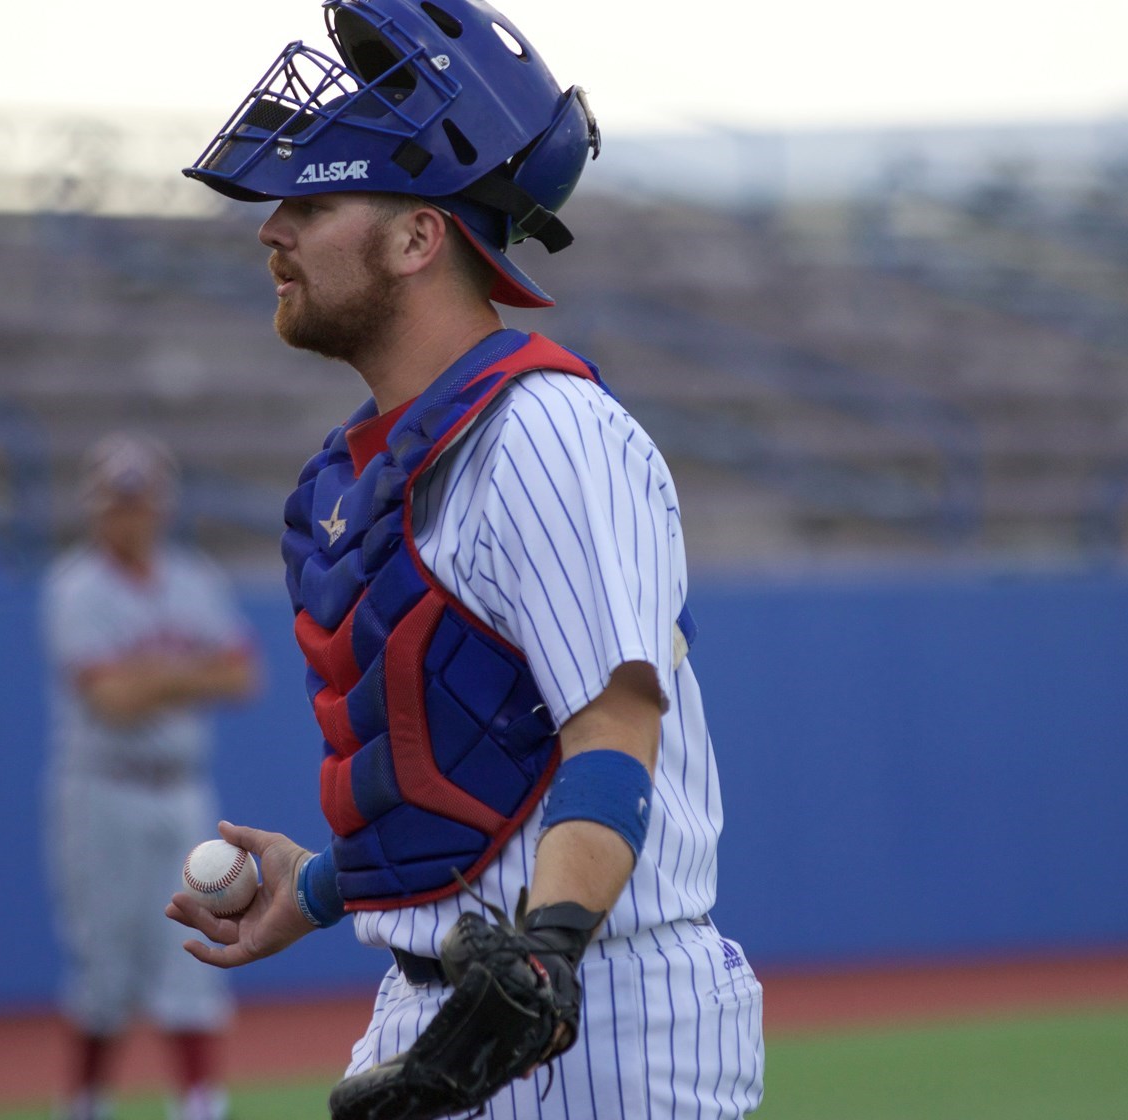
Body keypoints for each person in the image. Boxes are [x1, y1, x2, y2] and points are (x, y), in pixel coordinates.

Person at [164, 2, 765, 1117]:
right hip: (441, 1000)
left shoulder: (547, 432)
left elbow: (613, 723)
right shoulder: (374, 468)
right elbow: (478, 756)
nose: (271, 230)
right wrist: (321, 886)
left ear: (416, 239)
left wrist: (546, 953)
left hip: (591, 1019)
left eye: (312, 202)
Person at [42, 433, 261, 1120]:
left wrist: (153, 677)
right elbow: (109, 698)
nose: (130, 516)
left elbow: (243, 676)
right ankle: (85, 1103)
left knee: (193, 947)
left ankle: (199, 1103)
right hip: (102, 788)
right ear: (96, 507)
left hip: (181, 786)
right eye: (118, 502)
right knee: (104, 959)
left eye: (140, 502)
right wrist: (190, 674)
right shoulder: (75, 586)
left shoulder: (194, 579)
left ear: (162, 506)